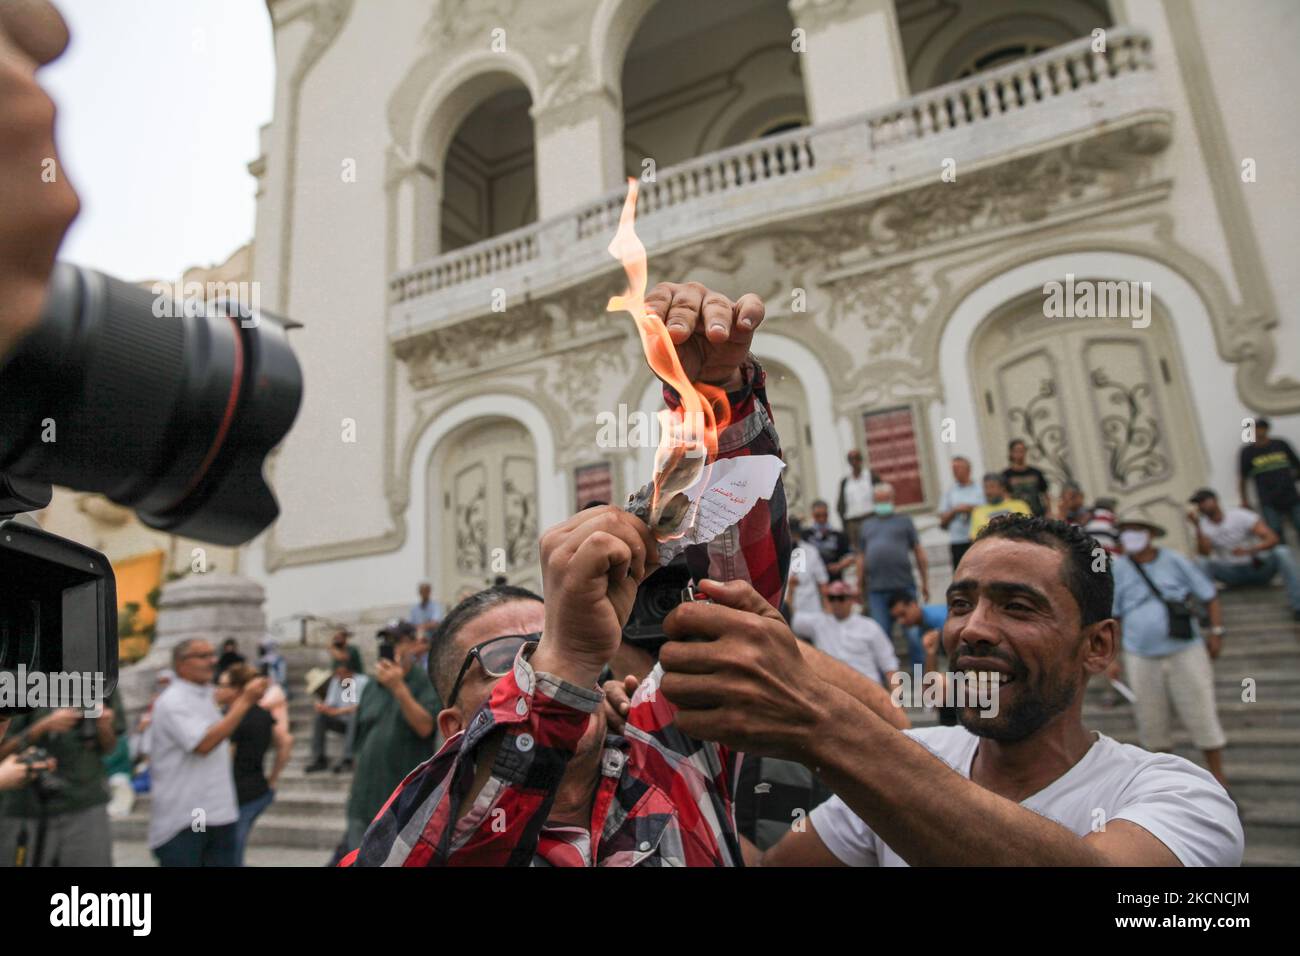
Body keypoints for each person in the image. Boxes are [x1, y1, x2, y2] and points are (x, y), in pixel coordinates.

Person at [345, 280, 906, 867]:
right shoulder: (426, 829)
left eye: (546, 637)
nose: (544, 659)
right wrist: (560, 663)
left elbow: (736, 591)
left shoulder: (668, 748)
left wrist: (710, 402)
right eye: (507, 657)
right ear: (454, 724)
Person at [661, 513, 1242, 866]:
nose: (973, 629)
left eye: (1018, 607)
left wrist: (821, 722)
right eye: (961, 604)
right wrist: (647, 766)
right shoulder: (918, 762)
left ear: (1098, 646)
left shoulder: (1178, 796)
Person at [1110, 508, 1230, 789]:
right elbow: (1113, 617)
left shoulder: (1174, 560)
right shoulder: (1118, 569)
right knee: (1152, 723)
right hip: (1140, 653)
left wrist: (1216, 632)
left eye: (1137, 528)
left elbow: (1209, 595)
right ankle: (1166, 787)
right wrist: (1111, 659)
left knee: (1201, 713)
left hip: (1184, 649)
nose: (1131, 534)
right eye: (1126, 529)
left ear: (1150, 533)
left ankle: (1219, 780)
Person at [147, 638, 267, 867]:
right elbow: (204, 744)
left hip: (218, 813)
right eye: (203, 656)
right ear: (181, 664)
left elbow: (228, 694)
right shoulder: (173, 700)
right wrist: (244, 701)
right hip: (187, 819)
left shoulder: (206, 694)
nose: (212, 661)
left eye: (213, 654)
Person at [337, 620, 439, 860]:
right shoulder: (372, 685)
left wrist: (399, 688)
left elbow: (425, 728)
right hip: (362, 800)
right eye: (386, 642)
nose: (391, 647)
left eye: (397, 641)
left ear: (414, 645)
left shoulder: (425, 681)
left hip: (399, 807)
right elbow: (362, 735)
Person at [0, 690, 125, 867]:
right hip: (25, 807)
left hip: (85, 803)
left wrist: (103, 726)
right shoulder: (16, 672)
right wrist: (43, 726)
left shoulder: (99, 673)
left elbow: (109, 747)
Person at [215, 663, 293, 866]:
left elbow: (225, 761)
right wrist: (273, 778)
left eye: (223, 685)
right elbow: (285, 742)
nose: (218, 689)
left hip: (236, 795)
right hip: (257, 790)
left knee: (230, 852)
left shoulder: (232, 720)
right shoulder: (263, 714)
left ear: (238, 689)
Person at [1188, 488, 1300, 621]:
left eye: (1203, 501)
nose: (1201, 506)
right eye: (1198, 503)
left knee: (1282, 552)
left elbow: (1272, 539)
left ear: (1215, 500)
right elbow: (1204, 553)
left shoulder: (1240, 515)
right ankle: (1205, 615)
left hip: (1257, 567)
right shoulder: (1203, 526)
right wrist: (1197, 527)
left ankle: (1298, 606)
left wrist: (1251, 550)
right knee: (1201, 562)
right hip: (1231, 573)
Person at [856, 482, 929, 668]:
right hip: (877, 591)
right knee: (880, 635)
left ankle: (922, 678)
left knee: (913, 635)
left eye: (886, 500)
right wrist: (859, 585)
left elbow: (919, 552)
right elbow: (861, 557)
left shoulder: (905, 521)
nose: (883, 503)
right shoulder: (867, 525)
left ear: (892, 500)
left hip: (904, 587)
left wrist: (925, 582)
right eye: (879, 500)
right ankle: (887, 680)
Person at [809, 582, 898, 686]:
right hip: (832, 691)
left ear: (851, 600)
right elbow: (789, 616)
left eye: (841, 598)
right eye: (832, 598)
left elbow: (889, 664)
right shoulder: (817, 623)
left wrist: (896, 698)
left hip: (867, 689)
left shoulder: (869, 626)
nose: (836, 603)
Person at [890, 595, 955, 724]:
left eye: (903, 614)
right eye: (897, 618)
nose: (901, 621)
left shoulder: (938, 619)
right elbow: (931, 659)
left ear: (913, 605)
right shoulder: (922, 628)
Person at [1238, 418, 1300, 543]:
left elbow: (1297, 465)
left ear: (1266, 430)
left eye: (1260, 429)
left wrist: (1291, 480)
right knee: (1275, 532)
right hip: (1268, 500)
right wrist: (1244, 500)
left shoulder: (1280, 444)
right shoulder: (1248, 452)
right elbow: (1243, 478)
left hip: (1291, 495)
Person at [305, 655, 368, 773]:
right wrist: (323, 707)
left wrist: (336, 712)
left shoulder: (363, 681)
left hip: (359, 723)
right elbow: (330, 704)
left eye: (340, 673)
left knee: (353, 716)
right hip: (342, 722)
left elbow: (359, 707)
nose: (338, 677)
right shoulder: (336, 681)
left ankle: (348, 758)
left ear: (349, 671)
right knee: (320, 717)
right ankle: (319, 758)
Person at [785, 516, 829, 641]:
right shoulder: (778, 551)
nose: (793, 537)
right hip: (787, 611)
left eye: (795, 534)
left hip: (810, 610)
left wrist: (827, 609)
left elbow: (822, 581)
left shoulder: (811, 551)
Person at [937, 456, 984, 568]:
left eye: (958, 468)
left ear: (968, 469)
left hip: (979, 539)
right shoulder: (949, 493)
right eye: (953, 469)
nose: (955, 472)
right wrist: (955, 510)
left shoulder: (980, 489)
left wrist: (970, 508)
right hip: (958, 541)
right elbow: (942, 522)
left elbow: (987, 510)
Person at [836, 450, 879, 550]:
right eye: (851, 459)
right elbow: (841, 505)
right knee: (858, 551)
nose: (854, 462)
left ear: (861, 460)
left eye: (857, 459)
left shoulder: (871, 477)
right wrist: (845, 525)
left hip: (871, 518)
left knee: (874, 547)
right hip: (853, 523)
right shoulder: (845, 481)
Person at [803, 499, 853, 583]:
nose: (822, 519)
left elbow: (850, 556)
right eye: (818, 516)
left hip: (835, 582)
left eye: (824, 515)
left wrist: (839, 566)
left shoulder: (839, 535)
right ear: (812, 515)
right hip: (813, 583)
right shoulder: (805, 535)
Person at [969, 473, 1032, 538]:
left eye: (992, 487)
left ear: (1002, 488)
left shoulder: (1019, 505)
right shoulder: (978, 511)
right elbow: (974, 537)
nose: (988, 491)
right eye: (986, 487)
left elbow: (1030, 527)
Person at [1002, 439, 1051, 518]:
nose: (1020, 453)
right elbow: (1006, 497)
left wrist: (1049, 512)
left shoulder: (1036, 473)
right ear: (1011, 453)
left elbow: (1045, 494)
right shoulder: (1006, 475)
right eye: (1017, 450)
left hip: (1038, 514)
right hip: (1018, 516)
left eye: (1022, 450)